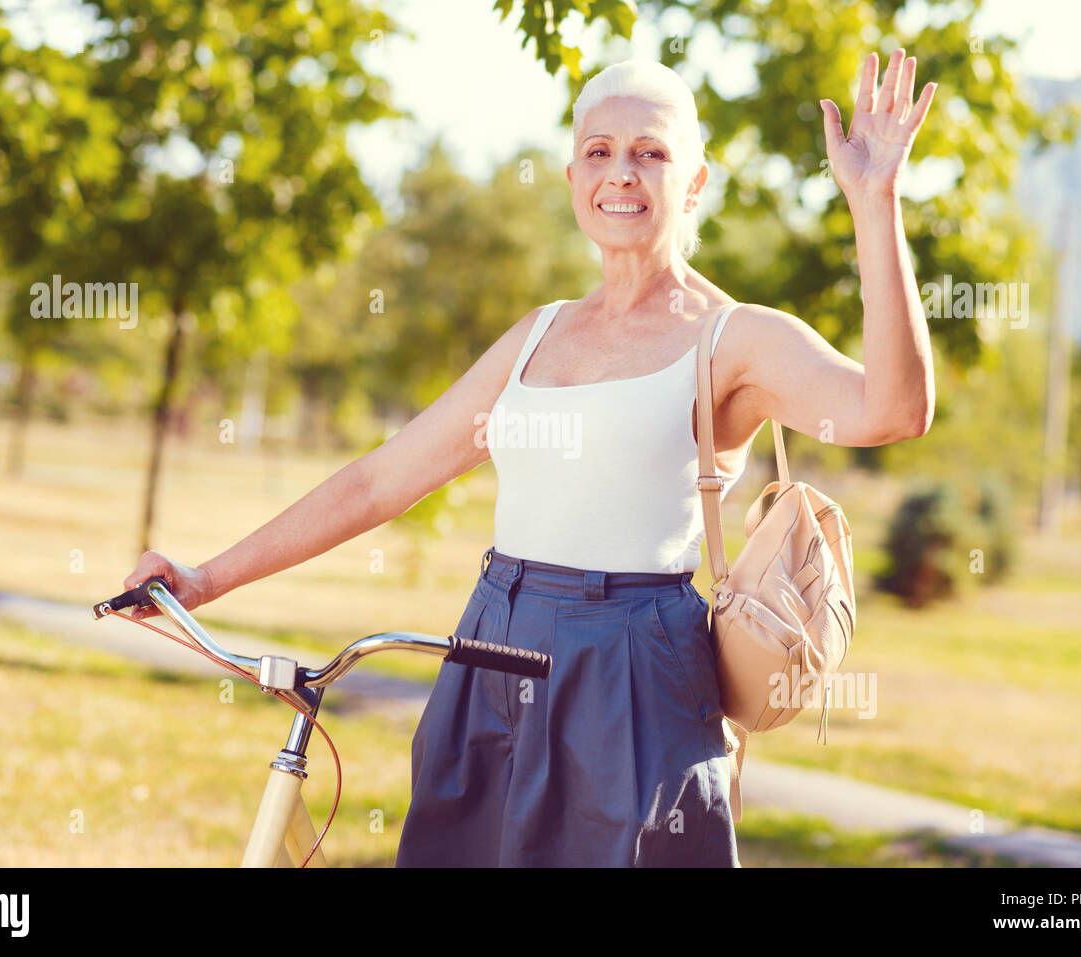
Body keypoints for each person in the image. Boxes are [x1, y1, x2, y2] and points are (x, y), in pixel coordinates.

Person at [121, 51, 937, 867]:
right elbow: (381, 479)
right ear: (574, 173)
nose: (622, 172)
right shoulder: (539, 333)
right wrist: (206, 578)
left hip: (634, 667)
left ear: (694, 182)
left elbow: (892, 410)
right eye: (599, 150)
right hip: (489, 644)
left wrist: (876, 201)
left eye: (651, 152)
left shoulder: (732, 336)